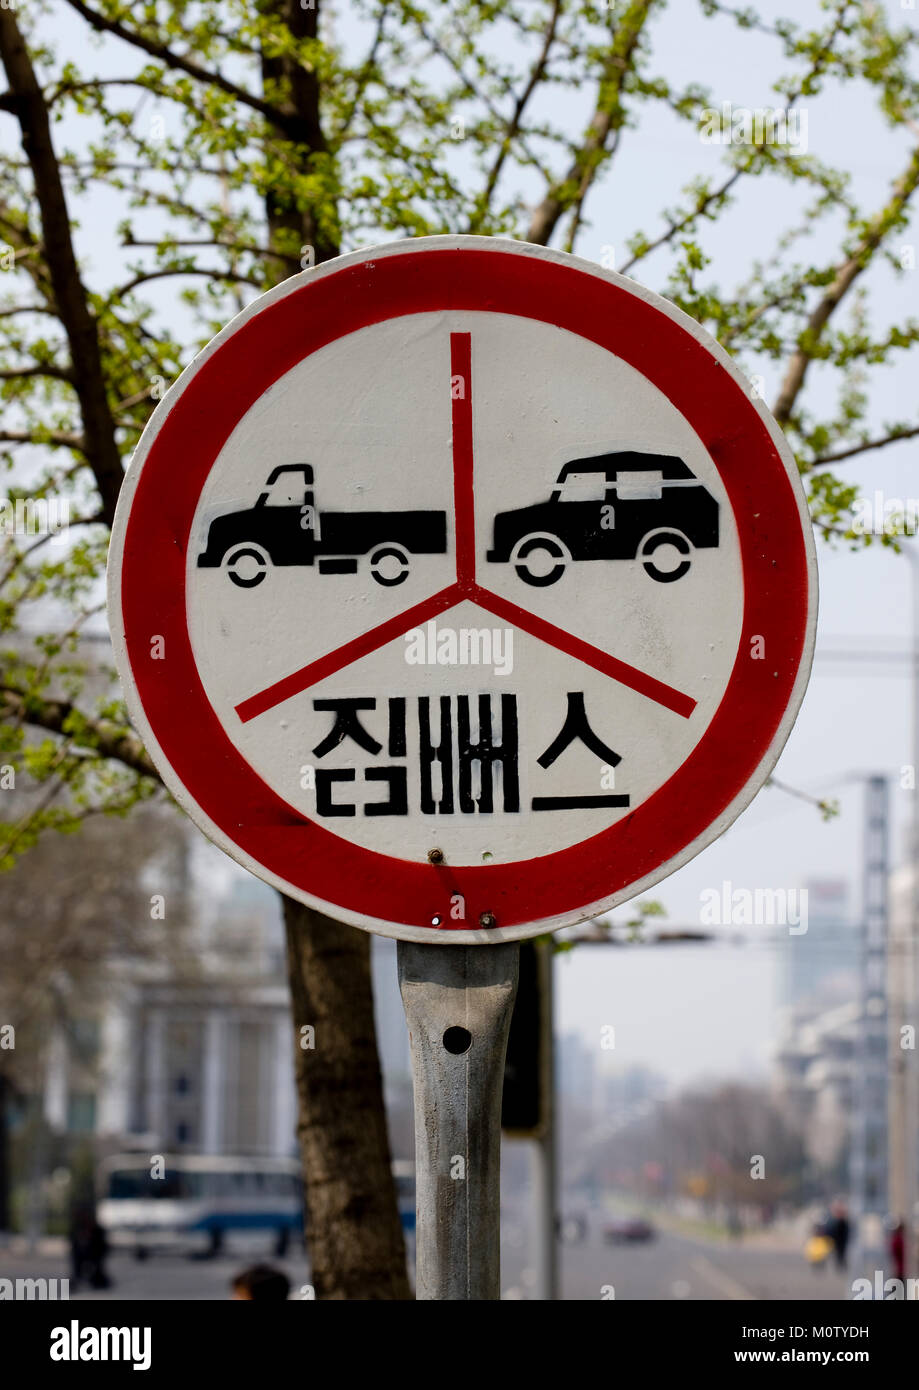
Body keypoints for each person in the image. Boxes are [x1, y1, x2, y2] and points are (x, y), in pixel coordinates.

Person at [827, 1199, 850, 1270]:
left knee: (842, 1250)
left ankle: (842, 1264)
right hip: (838, 1232)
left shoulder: (842, 1213)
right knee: (838, 1250)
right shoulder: (837, 1212)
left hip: (841, 1231)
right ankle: (840, 1264)